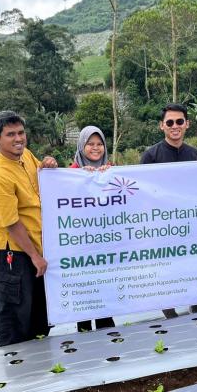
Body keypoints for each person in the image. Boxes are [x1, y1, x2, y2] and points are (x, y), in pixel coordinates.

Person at [0, 110, 58, 347]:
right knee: (15, 317)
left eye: (21, 133)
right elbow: (11, 223)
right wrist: (35, 256)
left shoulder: (25, 156)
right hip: (14, 254)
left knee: (38, 315)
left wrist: (47, 165)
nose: (18, 139)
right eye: (10, 134)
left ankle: (40, 371)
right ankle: (15, 374)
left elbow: (39, 178)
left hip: (35, 248)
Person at [141, 103, 197, 318]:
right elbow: (143, 194)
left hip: (191, 225)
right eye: (169, 122)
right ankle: (170, 314)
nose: (174, 126)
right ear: (162, 126)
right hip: (162, 226)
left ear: (187, 124)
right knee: (167, 271)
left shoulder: (196, 155)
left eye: (179, 122)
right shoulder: (151, 156)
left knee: (193, 268)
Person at [70, 125, 116, 332]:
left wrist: (107, 176)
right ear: (81, 146)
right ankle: (84, 330)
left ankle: (108, 330)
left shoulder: (111, 169)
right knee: (86, 291)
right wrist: (81, 178)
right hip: (80, 245)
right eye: (90, 144)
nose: (96, 148)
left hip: (105, 243)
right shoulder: (70, 173)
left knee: (105, 290)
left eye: (100, 144)